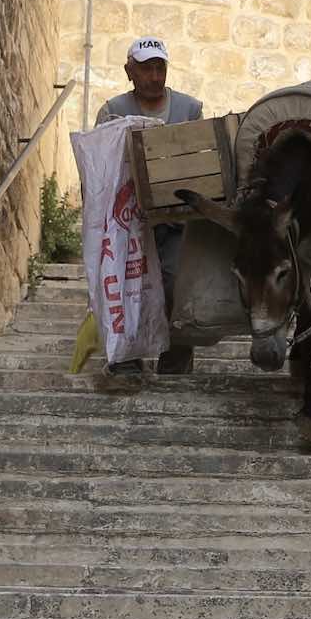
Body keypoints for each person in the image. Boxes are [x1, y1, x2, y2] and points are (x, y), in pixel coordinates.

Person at [97, 37, 203, 374]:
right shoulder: (112, 111)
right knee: (128, 288)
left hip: (175, 222)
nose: (155, 76)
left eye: (160, 68)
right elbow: (100, 169)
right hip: (129, 224)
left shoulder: (189, 109)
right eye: (146, 69)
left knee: (177, 287)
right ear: (129, 71)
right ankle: (126, 356)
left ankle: (176, 360)